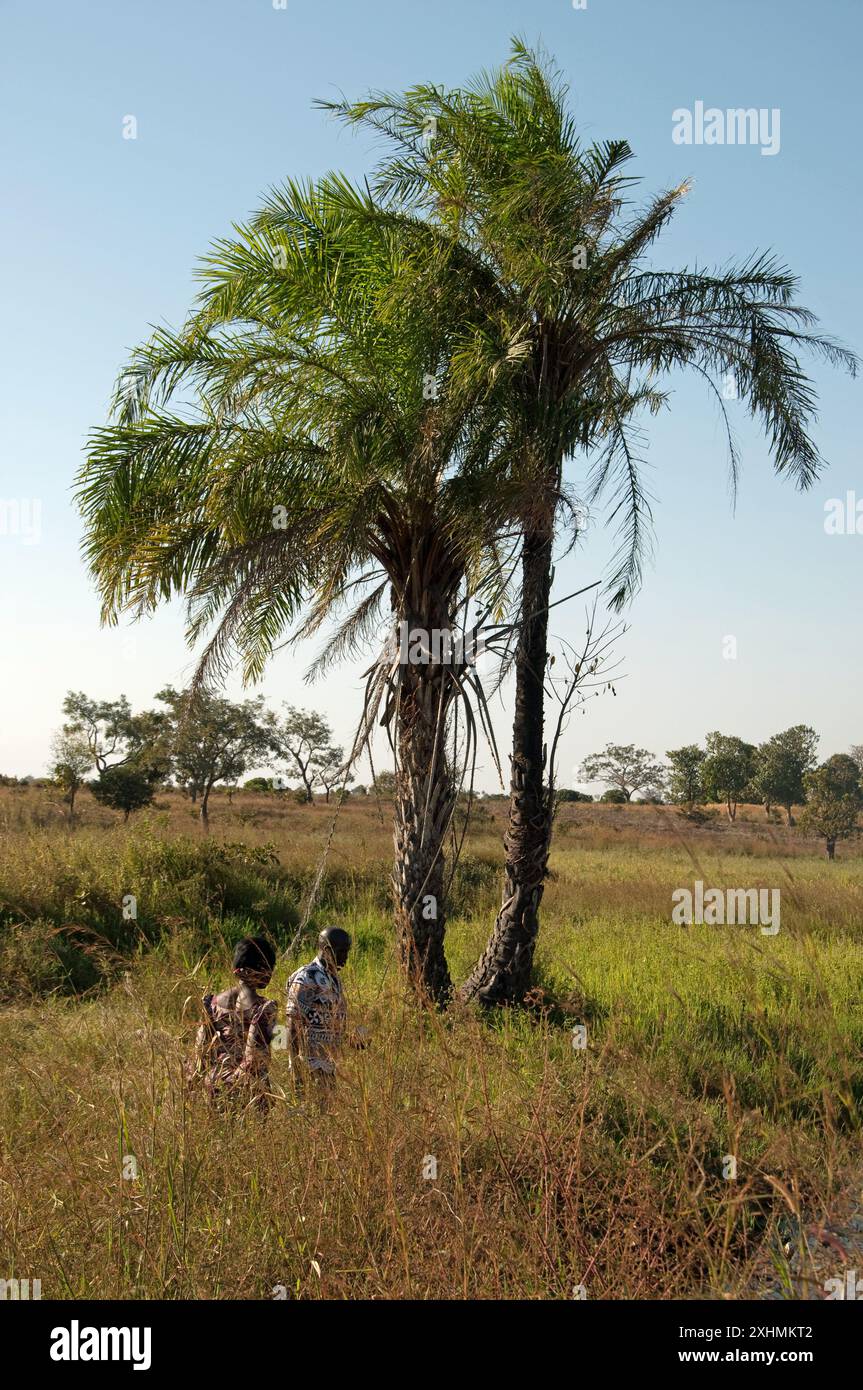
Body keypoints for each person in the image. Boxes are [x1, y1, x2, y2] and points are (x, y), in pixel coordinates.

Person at [188, 935, 278, 1112]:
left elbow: (201, 1048)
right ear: (249, 970)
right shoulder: (264, 1008)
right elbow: (258, 1056)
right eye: (266, 967)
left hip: (215, 1082)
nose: (270, 973)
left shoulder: (212, 1003)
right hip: (250, 1088)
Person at [285, 926, 362, 1102]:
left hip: (328, 1065)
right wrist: (296, 1068)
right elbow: (291, 1023)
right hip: (309, 1066)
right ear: (327, 950)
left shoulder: (333, 979)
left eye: (347, 952)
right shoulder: (307, 977)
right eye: (342, 952)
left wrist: (351, 1040)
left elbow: (327, 1024)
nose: (346, 957)